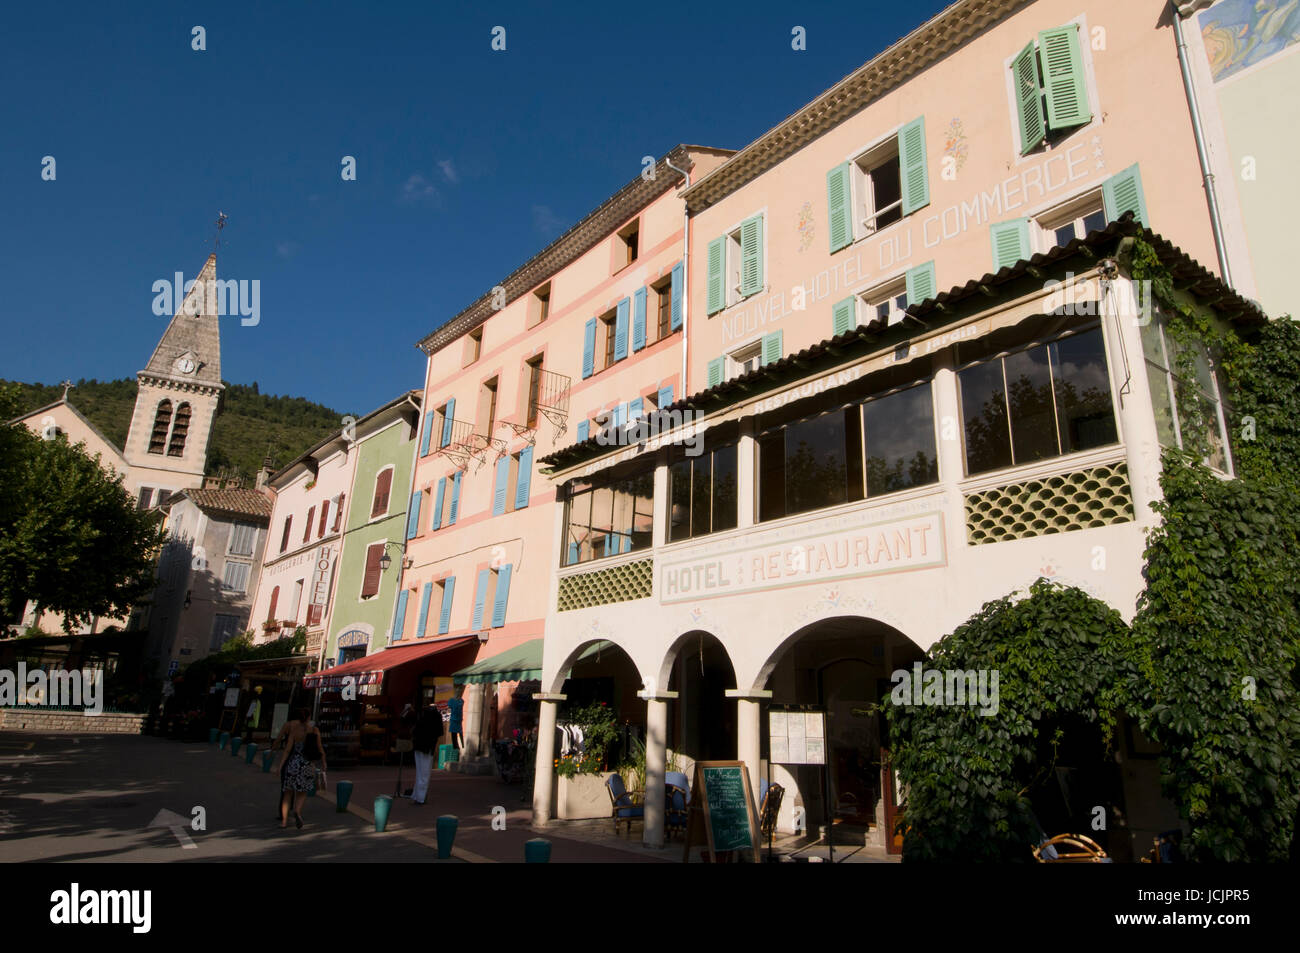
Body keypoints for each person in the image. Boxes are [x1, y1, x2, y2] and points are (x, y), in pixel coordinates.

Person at [275, 707, 325, 829]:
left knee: (287, 793)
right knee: (302, 792)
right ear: (308, 718)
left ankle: (284, 822)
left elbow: (287, 750)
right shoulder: (314, 730)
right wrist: (324, 762)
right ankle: (297, 811)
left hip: (293, 763)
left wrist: (280, 766)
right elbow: (320, 748)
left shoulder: (294, 730)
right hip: (307, 764)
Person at [411, 705, 441, 805]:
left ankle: (417, 795)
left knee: (420, 772)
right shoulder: (436, 716)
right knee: (424, 773)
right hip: (427, 748)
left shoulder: (422, 715)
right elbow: (439, 732)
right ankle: (420, 797)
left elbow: (415, 730)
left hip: (419, 746)